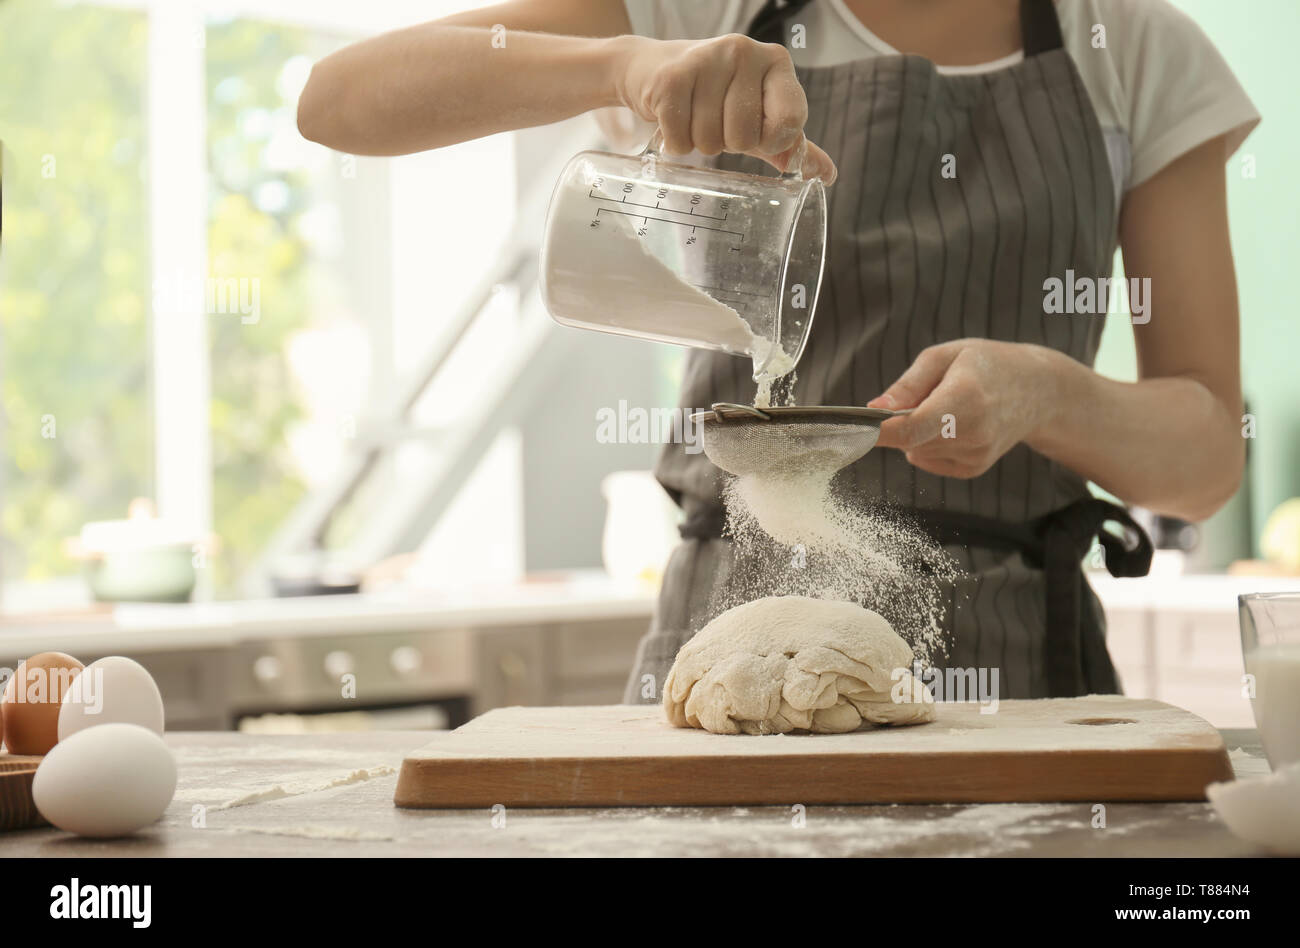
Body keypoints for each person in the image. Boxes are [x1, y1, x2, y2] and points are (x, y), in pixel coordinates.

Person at [299, 0, 1259, 701]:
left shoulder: (1130, 45)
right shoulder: (703, 10)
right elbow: (337, 100)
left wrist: (1050, 395)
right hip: (730, 644)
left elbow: (1208, 460)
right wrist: (626, 66)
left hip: (1020, 670)